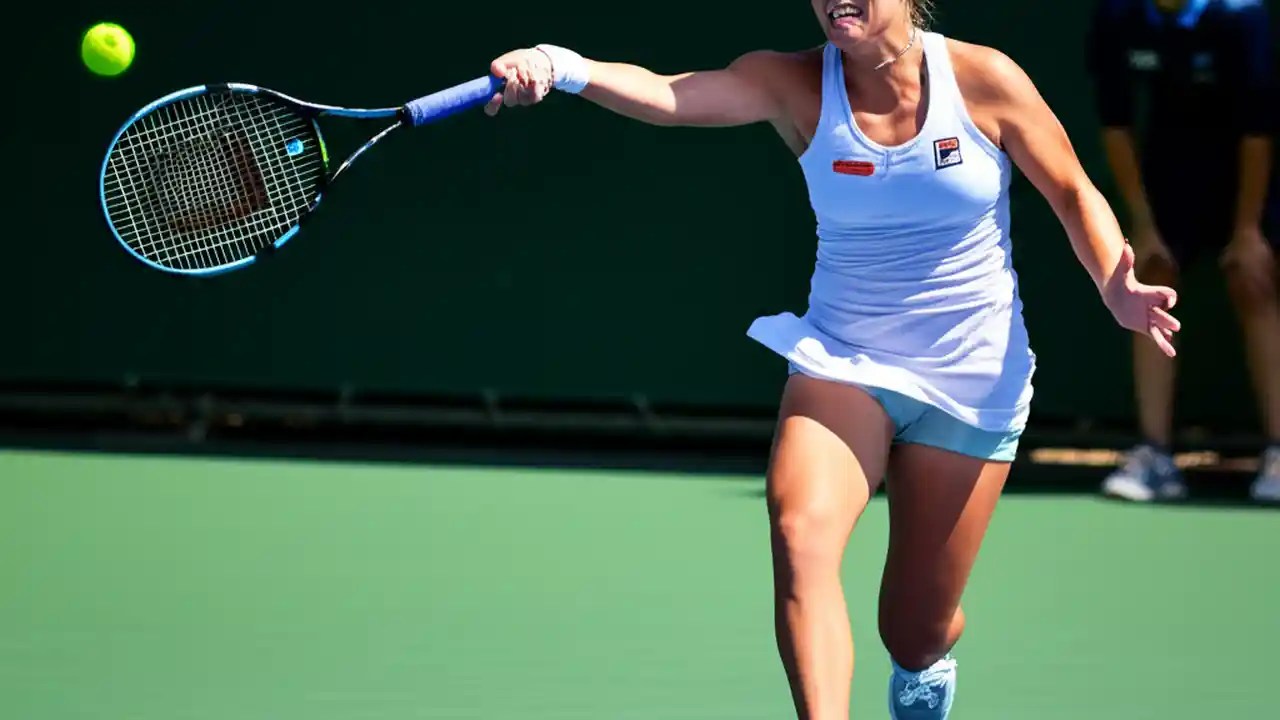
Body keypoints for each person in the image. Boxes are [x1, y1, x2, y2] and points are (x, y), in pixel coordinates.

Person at [484, 1, 1181, 717]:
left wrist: (1113, 283)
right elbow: (670, 95)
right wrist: (562, 65)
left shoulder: (984, 77)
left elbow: (1070, 190)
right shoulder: (789, 83)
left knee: (912, 631)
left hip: (970, 377)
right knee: (799, 535)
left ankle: (926, 661)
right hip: (845, 358)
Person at [1087, 0, 1280, 504]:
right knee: (1152, 280)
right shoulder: (1118, 17)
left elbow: (1258, 130)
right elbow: (1116, 125)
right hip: (1168, 171)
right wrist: (1144, 227)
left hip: (1247, 176)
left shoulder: (1241, 16)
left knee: (1252, 280)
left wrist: (1247, 230)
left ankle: (1278, 453)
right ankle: (1155, 456)